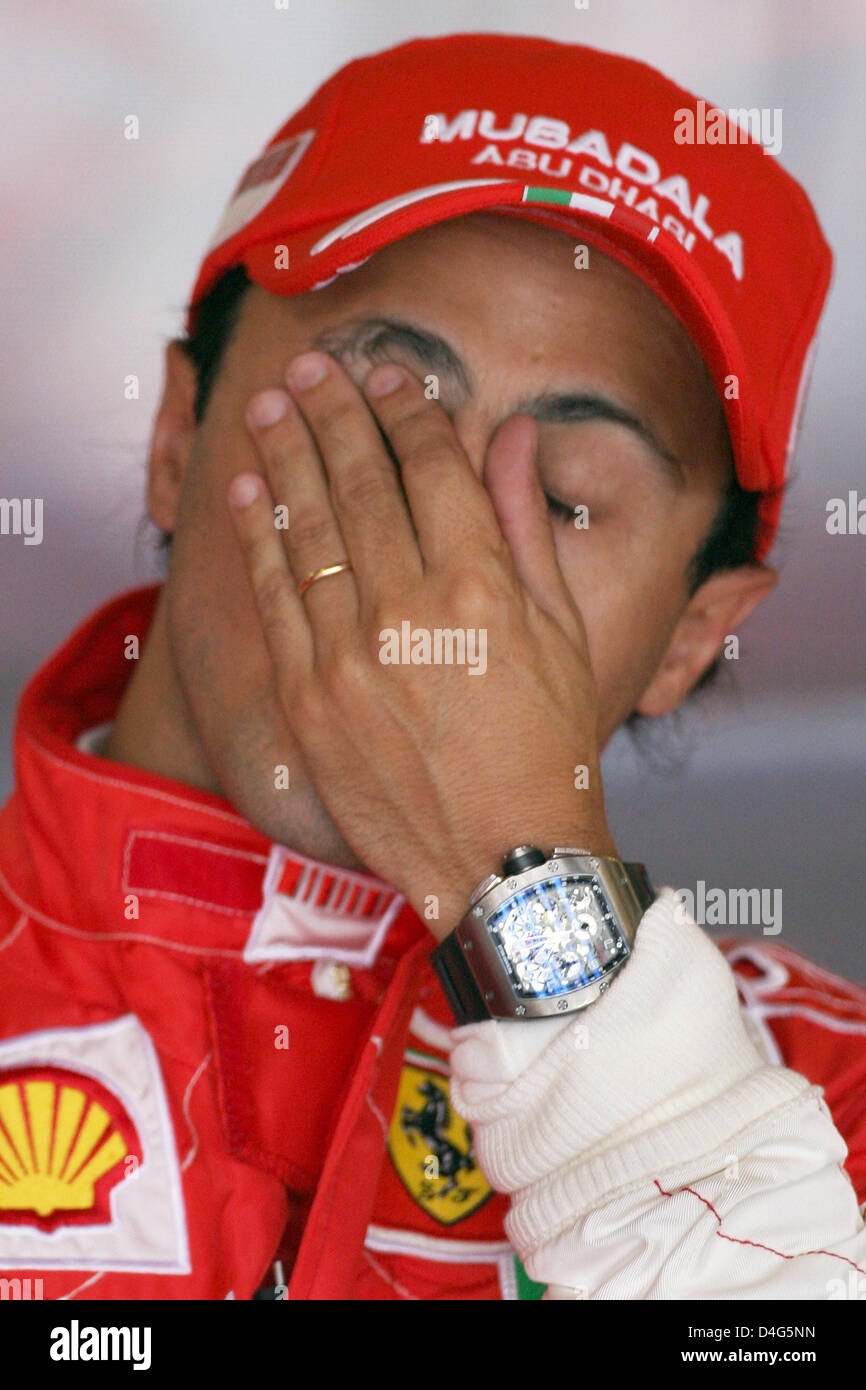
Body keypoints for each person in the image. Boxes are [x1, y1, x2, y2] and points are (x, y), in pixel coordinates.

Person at [1, 32, 863, 1302]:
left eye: (567, 499)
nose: (447, 558)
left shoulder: (821, 1115)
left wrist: (518, 884)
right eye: (375, 413)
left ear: (687, 636)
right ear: (176, 434)